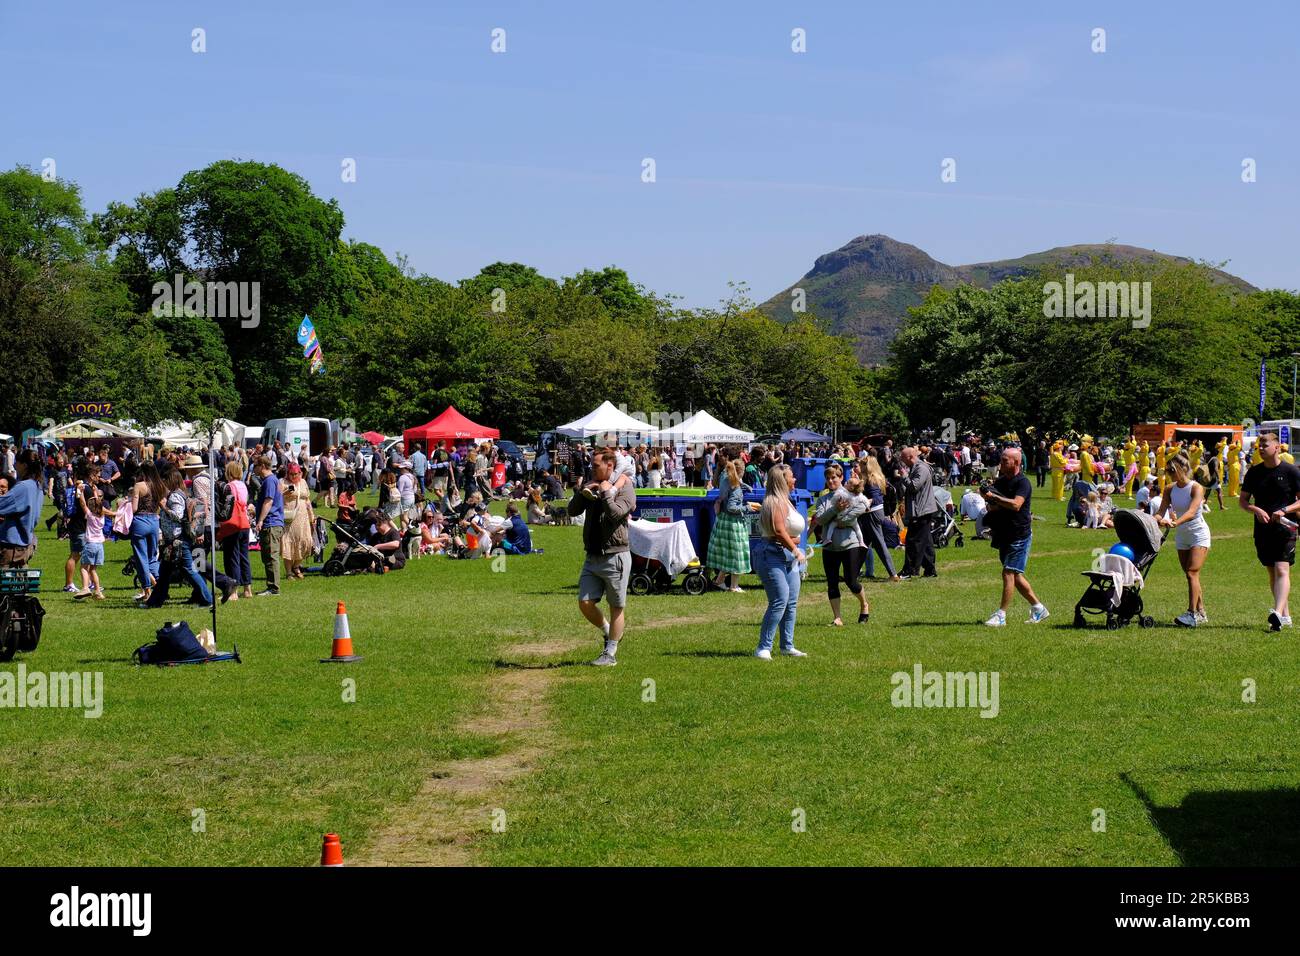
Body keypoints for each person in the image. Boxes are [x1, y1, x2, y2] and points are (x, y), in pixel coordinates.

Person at [568, 448, 636, 667]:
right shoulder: (592, 484)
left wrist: (607, 492)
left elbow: (616, 513)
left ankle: (611, 654)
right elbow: (572, 511)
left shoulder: (625, 487)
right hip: (593, 555)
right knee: (584, 602)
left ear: (610, 466)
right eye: (591, 465)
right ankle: (608, 633)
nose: (591, 468)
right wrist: (582, 491)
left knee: (616, 606)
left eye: (596, 465)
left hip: (615, 554)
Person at [1239, 432, 1300, 631]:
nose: (1260, 448)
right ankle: (1285, 615)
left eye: (1265, 444)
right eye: (1259, 445)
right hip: (1263, 530)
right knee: (1272, 572)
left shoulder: (1291, 471)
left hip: (1286, 527)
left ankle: (1276, 612)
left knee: (1282, 569)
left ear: (1277, 447)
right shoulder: (1254, 473)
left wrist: (1285, 510)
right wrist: (1255, 509)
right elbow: (1243, 501)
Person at [982, 447, 1049, 627]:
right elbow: (994, 507)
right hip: (1004, 533)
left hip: (1019, 534)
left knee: (1008, 572)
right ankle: (1038, 608)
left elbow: (1016, 505)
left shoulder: (1023, 483)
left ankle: (1001, 615)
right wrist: (988, 499)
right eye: (1002, 459)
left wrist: (994, 497)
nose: (1001, 463)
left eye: (1005, 460)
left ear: (1017, 463)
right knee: (1016, 575)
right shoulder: (1001, 481)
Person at [754, 464, 807, 659]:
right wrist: (795, 548)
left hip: (787, 555)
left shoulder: (787, 500)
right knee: (779, 600)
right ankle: (763, 647)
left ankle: (787, 645)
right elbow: (778, 531)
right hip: (771, 554)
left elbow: (789, 533)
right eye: (792, 477)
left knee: (791, 602)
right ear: (782, 481)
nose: (795, 480)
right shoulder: (774, 502)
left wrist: (794, 544)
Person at [1153, 452, 1211, 627]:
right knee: (1190, 575)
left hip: (1198, 532)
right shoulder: (1170, 489)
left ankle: (1191, 614)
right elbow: (1160, 511)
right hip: (1182, 535)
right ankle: (1201, 612)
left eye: (1172, 470)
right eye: (1168, 471)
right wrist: (1156, 519)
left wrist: (1175, 522)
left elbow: (1192, 511)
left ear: (1182, 469)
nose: (1169, 474)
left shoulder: (1196, 488)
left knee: (1192, 572)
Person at [813, 465, 870, 626]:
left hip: (850, 544)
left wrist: (840, 520)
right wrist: (835, 510)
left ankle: (864, 604)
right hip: (829, 547)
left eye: (834, 478)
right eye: (828, 478)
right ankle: (837, 617)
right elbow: (820, 520)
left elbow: (860, 509)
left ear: (841, 479)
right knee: (832, 582)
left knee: (851, 581)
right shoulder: (823, 500)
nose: (831, 481)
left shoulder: (852, 495)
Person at [707, 457, 753, 592]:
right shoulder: (736, 487)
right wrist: (747, 508)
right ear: (741, 471)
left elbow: (734, 485)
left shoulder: (725, 479)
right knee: (737, 554)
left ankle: (719, 581)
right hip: (734, 523)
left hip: (722, 520)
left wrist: (746, 486)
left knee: (726, 554)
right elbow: (732, 507)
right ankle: (734, 586)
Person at [128, 461, 167, 604]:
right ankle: (160, 586)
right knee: (152, 557)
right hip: (154, 522)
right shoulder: (160, 486)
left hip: (140, 521)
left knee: (141, 558)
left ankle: (146, 589)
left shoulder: (139, 486)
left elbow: (134, 508)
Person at [858, 456, 901, 581]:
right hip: (874, 514)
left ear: (867, 466)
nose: (860, 467)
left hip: (872, 514)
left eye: (862, 465)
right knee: (863, 544)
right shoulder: (877, 478)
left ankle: (893, 574)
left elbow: (876, 498)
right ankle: (853, 573)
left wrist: (867, 501)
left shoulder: (871, 480)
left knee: (879, 545)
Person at [899, 446, 938, 578]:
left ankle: (910, 570)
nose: (901, 461)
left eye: (903, 458)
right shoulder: (916, 468)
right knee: (926, 542)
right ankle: (930, 570)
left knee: (913, 541)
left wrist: (904, 476)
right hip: (922, 509)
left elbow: (914, 486)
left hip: (922, 511)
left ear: (910, 457)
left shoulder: (921, 468)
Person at [217, 460, 254, 601]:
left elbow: (228, 505)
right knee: (244, 557)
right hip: (244, 524)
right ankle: (247, 589)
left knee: (232, 558)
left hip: (233, 524)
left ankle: (233, 591)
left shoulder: (229, 486)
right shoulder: (243, 485)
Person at [0, 449, 44, 567]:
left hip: (12, 548)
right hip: (25, 545)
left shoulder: (23, 487)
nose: (14, 465)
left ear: (24, 465)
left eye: (17, 462)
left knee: (7, 584)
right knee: (21, 583)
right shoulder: (37, 486)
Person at [253, 456, 284, 596]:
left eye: (256, 466)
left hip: (271, 522)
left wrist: (260, 520)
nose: (254, 469)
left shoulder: (270, 481)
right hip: (271, 522)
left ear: (262, 466)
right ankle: (272, 586)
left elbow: (268, 501)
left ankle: (273, 588)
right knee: (268, 556)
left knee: (271, 556)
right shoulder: (271, 480)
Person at [281, 462, 316, 581]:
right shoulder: (283, 482)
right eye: (291, 474)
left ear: (300, 473)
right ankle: (289, 572)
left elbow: (307, 500)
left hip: (303, 517)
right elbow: (276, 497)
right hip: (289, 518)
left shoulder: (303, 482)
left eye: (296, 474)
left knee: (305, 540)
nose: (293, 477)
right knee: (289, 542)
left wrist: (312, 516)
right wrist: (285, 493)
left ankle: (296, 567)